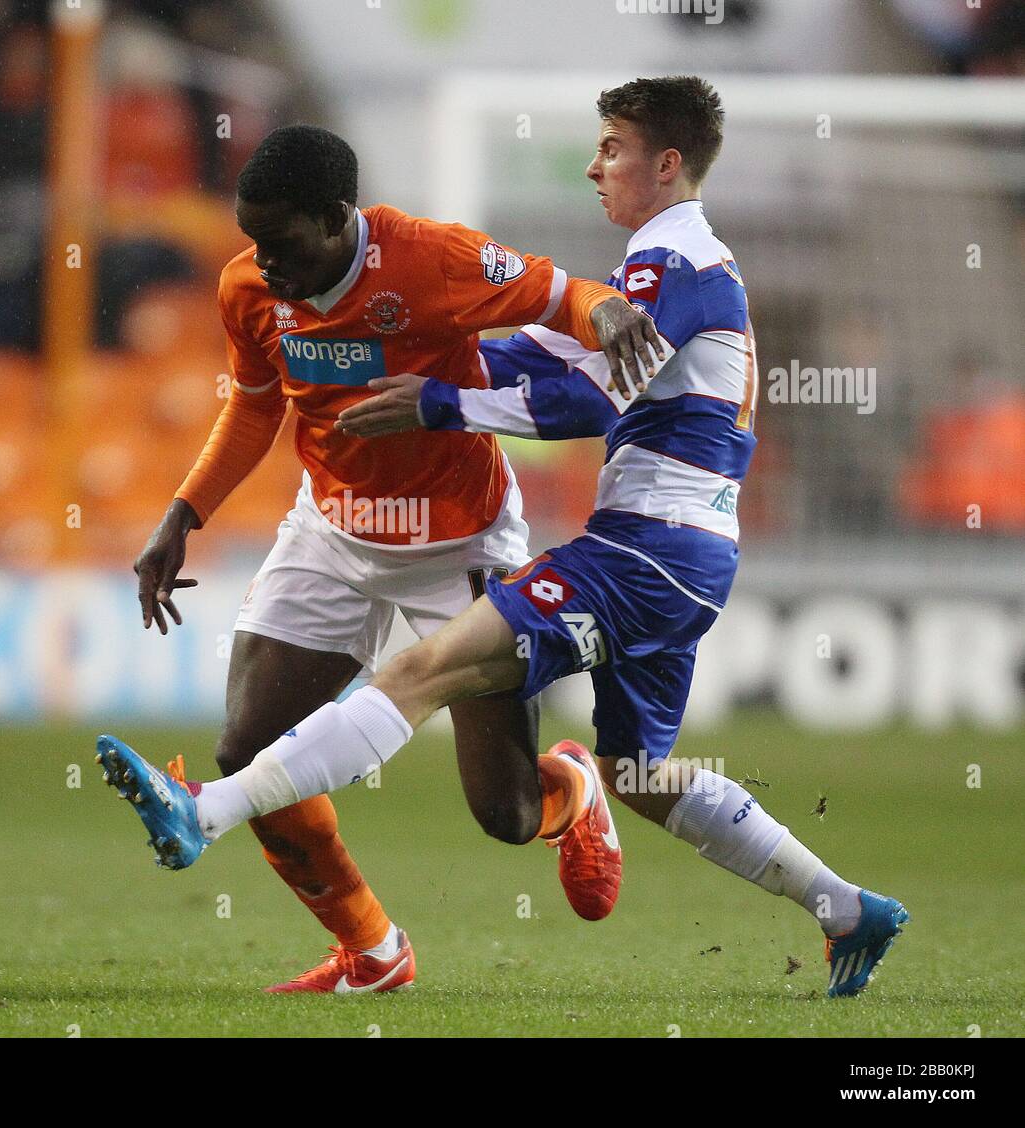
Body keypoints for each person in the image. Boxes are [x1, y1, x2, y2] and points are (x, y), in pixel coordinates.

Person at [103, 78, 909, 999]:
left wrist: (445, 397)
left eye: (611, 147)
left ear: (668, 164)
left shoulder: (662, 266)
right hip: (647, 551)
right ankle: (845, 906)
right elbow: (533, 354)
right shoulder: (675, 263)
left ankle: (203, 816)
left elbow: (588, 385)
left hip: (624, 550)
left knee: (446, 722)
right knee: (640, 772)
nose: (594, 164)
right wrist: (192, 505)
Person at [126, 123, 660, 994]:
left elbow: (563, 293)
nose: (265, 261)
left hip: (461, 543)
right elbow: (257, 409)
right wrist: (185, 512)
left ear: (338, 217)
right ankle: (373, 954)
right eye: (252, 240)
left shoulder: (432, 260)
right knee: (246, 750)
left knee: (504, 814)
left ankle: (567, 789)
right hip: (330, 534)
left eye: (283, 241)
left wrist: (607, 309)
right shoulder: (248, 288)